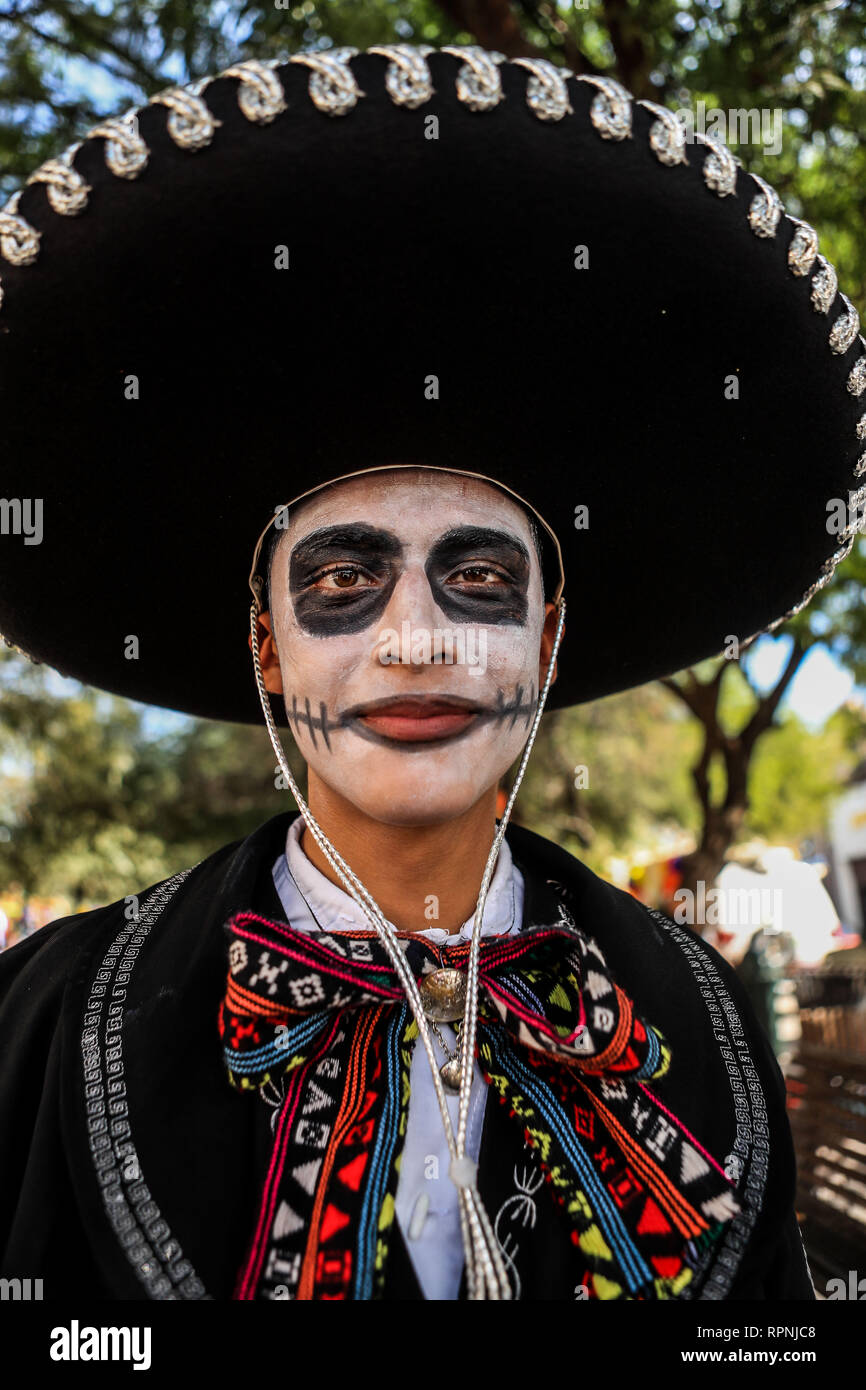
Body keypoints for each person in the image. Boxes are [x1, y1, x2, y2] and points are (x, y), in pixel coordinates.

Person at [1, 41, 863, 1301]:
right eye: (343, 582)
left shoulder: (696, 1016)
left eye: (478, 579)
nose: (417, 640)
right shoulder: (47, 1020)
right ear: (268, 644)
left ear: (547, 640)